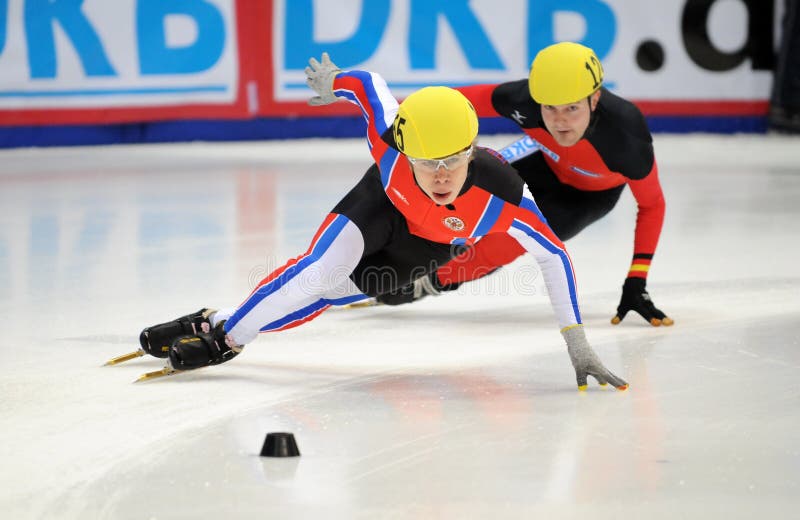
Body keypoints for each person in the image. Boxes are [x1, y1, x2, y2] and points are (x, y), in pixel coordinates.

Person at [132, 53, 627, 391]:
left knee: (324, 296)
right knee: (317, 272)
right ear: (404, 148)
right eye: (426, 162)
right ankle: (226, 340)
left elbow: (553, 256)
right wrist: (334, 83)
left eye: (451, 162)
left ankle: (215, 321)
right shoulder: (390, 141)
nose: (438, 176)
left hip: (424, 249)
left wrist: (576, 340)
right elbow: (368, 86)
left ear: (472, 153)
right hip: (378, 205)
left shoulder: (505, 197)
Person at [378, 42, 673, 328]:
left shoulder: (626, 137)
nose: (560, 122)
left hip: (585, 198)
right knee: (456, 198)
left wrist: (637, 278)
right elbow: (451, 101)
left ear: (594, 99)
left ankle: (417, 285)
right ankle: (382, 255)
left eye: (572, 108)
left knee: (505, 243)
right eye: (550, 109)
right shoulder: (523, 100)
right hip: (542, 164)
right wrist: (405, 119)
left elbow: (652, 205)